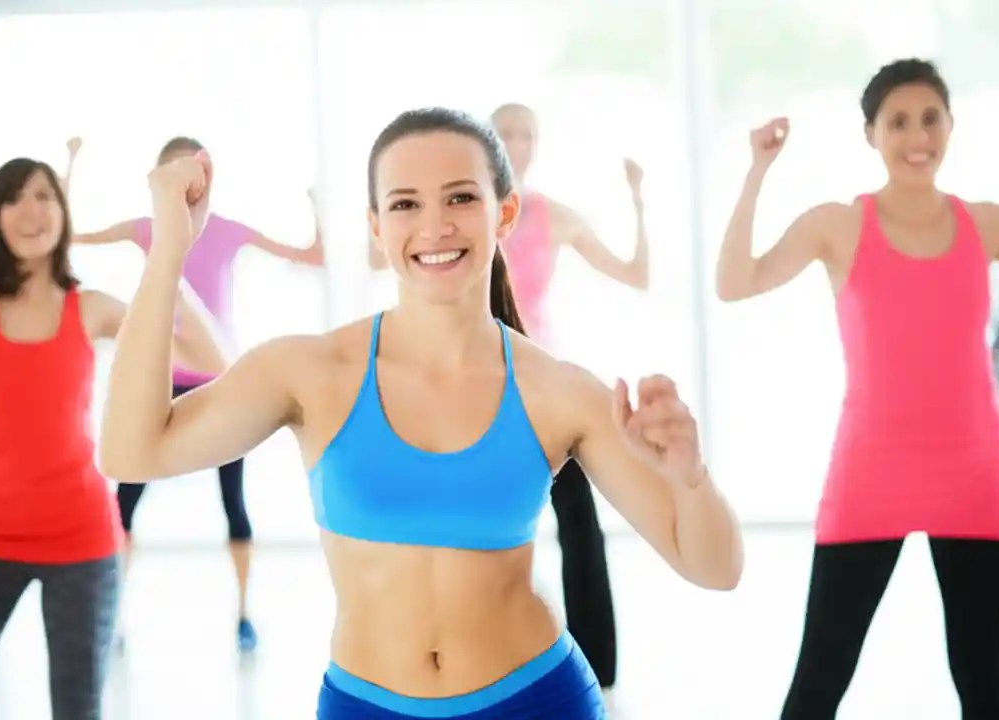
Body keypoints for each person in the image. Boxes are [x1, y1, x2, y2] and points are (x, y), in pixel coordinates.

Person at [102, 107, 743, 719]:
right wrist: (169, 251)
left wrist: (692, 479)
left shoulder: (561, 392)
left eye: (461, 197)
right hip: (366, 706)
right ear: (377, 227)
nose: (434, 225)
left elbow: (714, 568)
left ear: (505, 213)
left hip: (537, 702)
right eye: (406, 203)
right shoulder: (309, 371)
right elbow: (131, 452)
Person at [717, 59, 999, 719]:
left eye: (931, 118)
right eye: (898, 121)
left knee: (985, 690)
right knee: (819, 683)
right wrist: (757, 170)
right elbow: (736, 281)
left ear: (951, 125)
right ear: (871, 133)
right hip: (869, 476)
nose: (918, 135)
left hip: (974, 479)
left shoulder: (986, 224)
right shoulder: (837, 224)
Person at [0, 157, 227, 720]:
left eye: (44, 196)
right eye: (14, 197)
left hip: (80, 540)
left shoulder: (90, 308)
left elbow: (208, 357)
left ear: (63, 212)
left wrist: (169, 257)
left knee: (76, 712)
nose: (30, 210)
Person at [366, 103, 649, 691]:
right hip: (461, 386)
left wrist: (638, 201)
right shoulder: (454, 217)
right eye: (507, 132)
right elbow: (383, 255)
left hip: (539, 396)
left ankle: (600, 663)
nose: (517, 141)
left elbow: (634, 273)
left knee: (579, 526)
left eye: (527, 132)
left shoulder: (554, 217)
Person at [68, 135, 324, 651]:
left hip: (218, 379)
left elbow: (312, 256)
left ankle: (245, 615)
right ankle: (112, 618)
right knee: (124, 506)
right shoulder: (148, 231)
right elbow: (71, 236)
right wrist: (70, 165)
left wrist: (315, 202)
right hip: (160, 378)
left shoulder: (226, 230)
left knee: (234, 504)